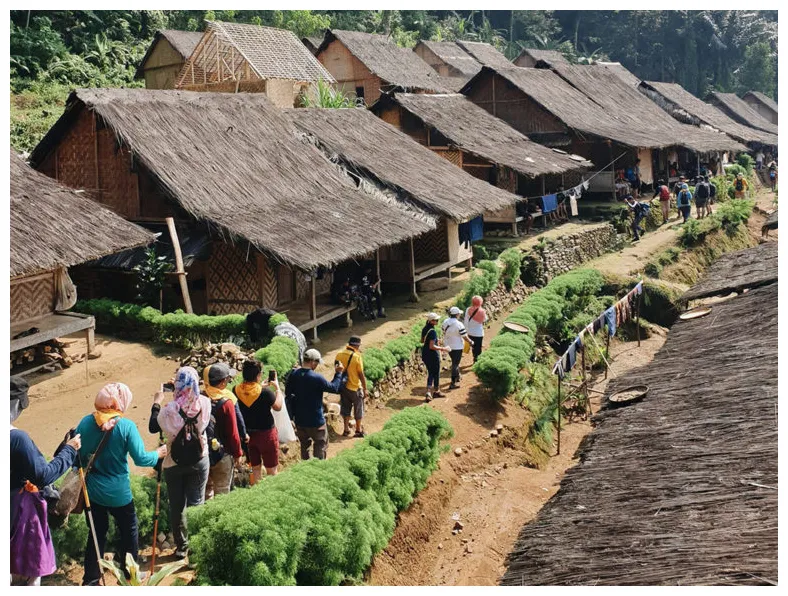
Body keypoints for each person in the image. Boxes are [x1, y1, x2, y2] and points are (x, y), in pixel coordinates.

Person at [76, 383, 166, 585]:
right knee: (129, 530)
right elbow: (142, 459)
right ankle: (129, 574)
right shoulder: (126, 426)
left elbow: (77, 454)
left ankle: (91, 579)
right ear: (119, 403)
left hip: (93, 491)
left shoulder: (85, 422)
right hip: (119, 493)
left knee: (96, 533)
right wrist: (158, 453)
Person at [10, 377, 81, 586]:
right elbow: (43, 476)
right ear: (17, 403)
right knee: (27, 571)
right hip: (16, 516)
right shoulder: (17, 438)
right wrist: (70, 450)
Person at [150, 367, 209, 560]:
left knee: (177, 506)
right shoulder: (205, 403)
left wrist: (157, 402)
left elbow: (153, 426)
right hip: (199, 458)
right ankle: (197, 550)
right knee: (197, 503)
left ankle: (182, 547)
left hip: (173, 461)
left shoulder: (168, 411)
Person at [285, 349, 344, 460]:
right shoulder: (316, 378)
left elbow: (288, 394)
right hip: (316, 420)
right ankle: (319, 467)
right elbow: (334, 388)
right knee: (320, 444)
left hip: (300, 420)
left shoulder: (294, 374)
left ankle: (306, 467)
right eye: (317, 362)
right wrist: (338, 373)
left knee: (304, 446)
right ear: (312, 362)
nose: (317, 365)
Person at [234, 360, 283, 482]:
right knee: (272, 470)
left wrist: (259, 386)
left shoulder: (236, 390)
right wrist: (278, 389)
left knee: (255, 468)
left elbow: (250, 393)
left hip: (248, 436)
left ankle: (255, 487)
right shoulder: (265, 393)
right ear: (258, 375)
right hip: (266, 435)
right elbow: (278, 407)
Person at [201, 364, 245, 499]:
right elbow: (233, 433)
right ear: (222, 382)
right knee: (222, 491)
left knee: (206, 489)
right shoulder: (226, 403)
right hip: (222, 453)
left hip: (202, 452)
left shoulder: (200, 397)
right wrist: (238, 453)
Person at [335, 336, 368, 438]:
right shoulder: (357, 356)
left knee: (345, 408)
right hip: (355, 387)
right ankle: (358, 430)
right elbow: (361, 374)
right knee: (358, 409)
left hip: (343, 386)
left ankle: (346, 429)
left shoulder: (339, 354)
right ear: (356, 346)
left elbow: (337, 369)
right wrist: (365, 388)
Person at [441, 306, 473, 390]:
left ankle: (457, 376)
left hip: (448, 345)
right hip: (457, 346)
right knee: (455, 364)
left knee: (454, 361)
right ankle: (453, 382)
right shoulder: (459, 324)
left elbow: (443, 330)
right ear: (457, 315)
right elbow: (464, 336)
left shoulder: (445, 322)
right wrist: (470, 342)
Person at [421, 313, 450, 402]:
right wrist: (443, 348)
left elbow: (422, 340)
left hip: (425, 354)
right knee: (435, 372)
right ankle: (433, 391)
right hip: (433, 355)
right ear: (431, 321)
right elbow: (432, 346)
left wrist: (436, 340)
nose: (437, 321)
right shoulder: (432, 331)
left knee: (431, 372)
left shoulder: (425, 329)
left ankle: (430, 391)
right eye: (436, 320)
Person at [464, 296, 488, 364]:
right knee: (478, 348)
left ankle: (474, 356)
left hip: (470, 332)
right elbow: (485, 319)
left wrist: (466, 330)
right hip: (478, 333)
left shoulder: (468, 309)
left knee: (473, 346)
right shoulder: (482, 311)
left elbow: (466, 321)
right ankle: (476, 360)